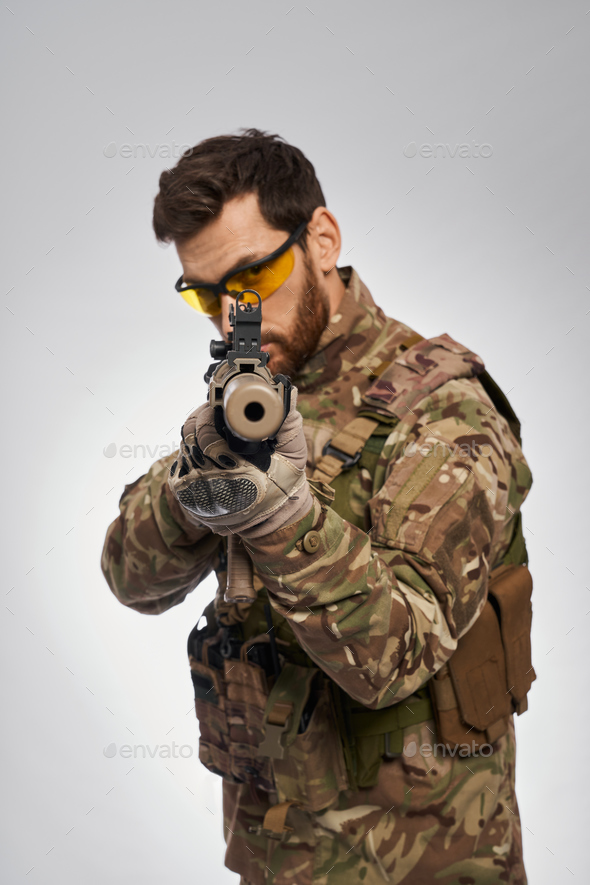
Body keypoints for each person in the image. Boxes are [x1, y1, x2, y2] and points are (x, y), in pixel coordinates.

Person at [101, 128, 534, 884]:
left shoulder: (446, 413)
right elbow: (128, 578)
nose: (230, 315)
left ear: (322, 240)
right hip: (278, 857)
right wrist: (191, 490)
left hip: (426, 864)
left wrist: (282, 520)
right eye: (205, 294)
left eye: (252, 277)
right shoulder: (251, 398)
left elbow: (395, 659)